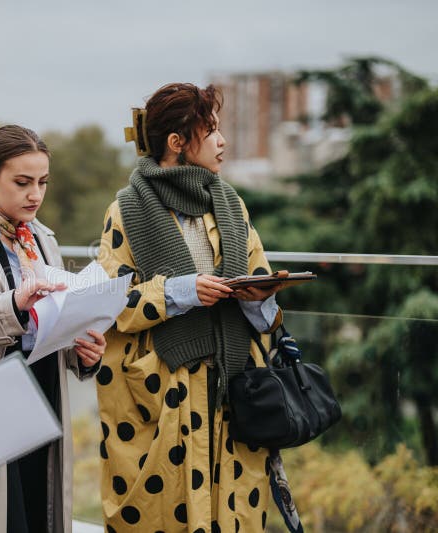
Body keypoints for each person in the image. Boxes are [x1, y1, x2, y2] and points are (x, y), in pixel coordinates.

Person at [95, 83, 284, 532]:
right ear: (178, 143)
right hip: (164, 399)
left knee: (234, 515)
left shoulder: (231, 203)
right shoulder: (126, 210)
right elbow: (106, 303)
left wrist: (261, 298)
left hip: (232, 394)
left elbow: (262, 282)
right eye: (212, 131)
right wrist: (179, 292)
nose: (223, 141)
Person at [0, 124, 106, 533]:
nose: (36, 194)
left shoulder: (44, 241)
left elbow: (49, 325)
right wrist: (11, 307)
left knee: (37, 514)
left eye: (43, 182)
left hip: (43, 396)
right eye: (23, 182)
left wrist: (83, 352)